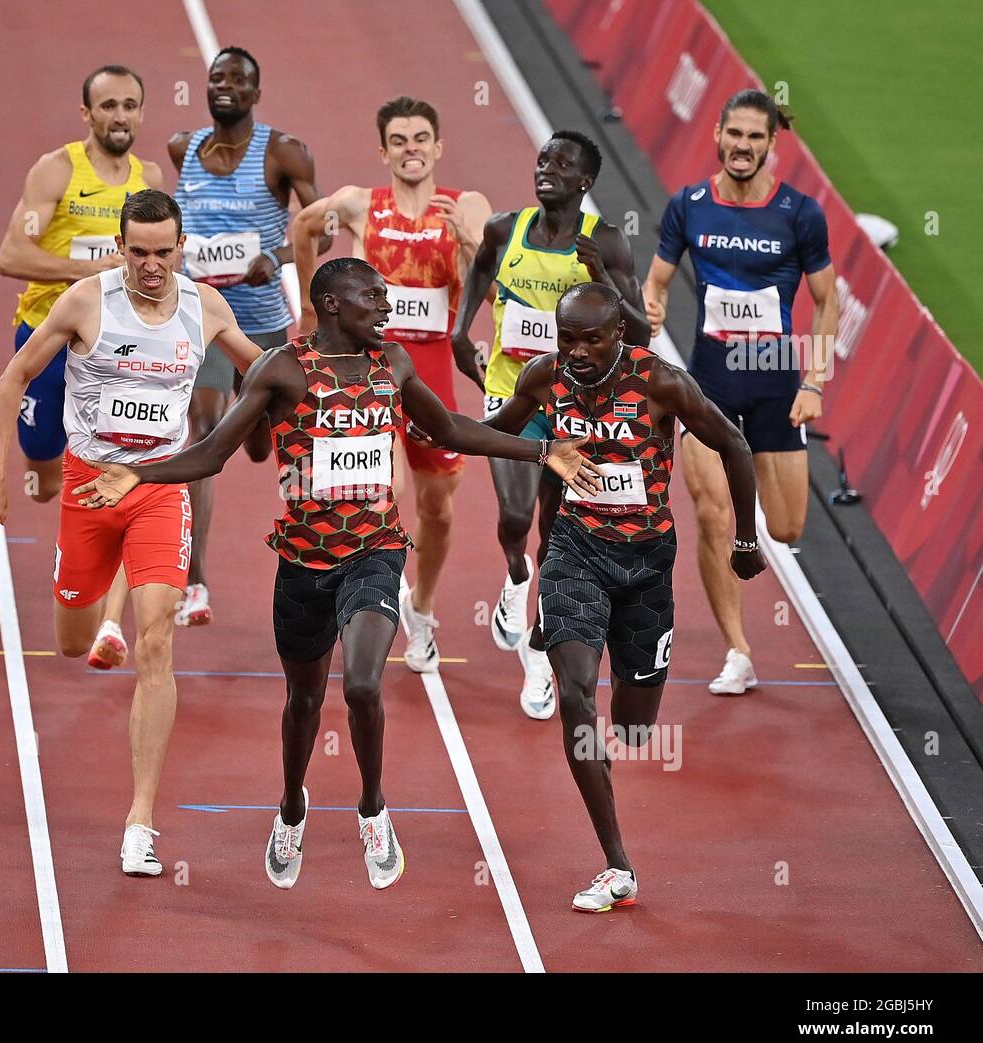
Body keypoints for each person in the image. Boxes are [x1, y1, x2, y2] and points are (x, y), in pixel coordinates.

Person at [69, 258, 598, 890]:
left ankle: (373, 806)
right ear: (329, 305)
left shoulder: (394, 365)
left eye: (387, 298)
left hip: (375, 551)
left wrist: (543, 450)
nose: (387, 308)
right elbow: (212, 453)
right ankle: (292, 805)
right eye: (372, 298)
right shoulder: (281, 370)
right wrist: (141, 473)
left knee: (363, 685)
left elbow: (451, 428)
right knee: (304, 702)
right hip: (301, 562)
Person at [0, 191, 264, 877]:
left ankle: (140, 820)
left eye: (165, 252)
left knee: (155, 637)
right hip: (84, 486)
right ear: (122, 246)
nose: (153, 265)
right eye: (140, 252)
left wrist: (330, 381)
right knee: (74, 640)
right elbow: (15, 377)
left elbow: (265, 371)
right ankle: (84, 584)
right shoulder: (84, 302)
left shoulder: (205, 307)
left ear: (181, 247)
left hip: (159, 488)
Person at [482, 282, 765, 911]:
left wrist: (745, 539)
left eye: (591, 339)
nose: (577, 352)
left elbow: (734, 444)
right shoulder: (542, 375)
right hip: (574, 553)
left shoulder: (661, 383)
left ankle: (619, 728)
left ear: (618, 334)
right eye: (568, 339)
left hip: (645, 565)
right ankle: (616, 863)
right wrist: (431, 424)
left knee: (635, 728)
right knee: (577, 693)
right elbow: (490, 432)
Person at [642, 89, 838, 695]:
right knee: (709, 512)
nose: (744, 146)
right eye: (735, 135)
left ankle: (752, 502)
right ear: (718, 137)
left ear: (772, 145)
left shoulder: (800, 214)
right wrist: (649, 312)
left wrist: (815, 380)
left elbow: (831, 300)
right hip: (711, 380)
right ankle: (738, 650)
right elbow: (657, 281)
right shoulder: (689, 206)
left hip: (777, 376)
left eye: (756, 137)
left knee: (786, 529)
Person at [292, 96, 492, 673]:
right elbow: (305, 228)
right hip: (368, 368)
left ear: (438, 147)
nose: (411, 149)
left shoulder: (467, 205)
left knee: (438, 510)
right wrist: (313, 313)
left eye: (421, 138)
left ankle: (422, 611)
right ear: (384, 151)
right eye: (399, 140)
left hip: (429, 371)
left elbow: (496, 285)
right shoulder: (358, 204)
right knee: (383, 490)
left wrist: (471, 243)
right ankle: (359, 603)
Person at [452, 132, 649, 717]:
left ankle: (539, 655)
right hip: (512, 392)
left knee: (560, 534)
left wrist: (605, 281)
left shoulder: (605, 242)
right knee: (515, 519)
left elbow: (640, 333)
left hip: (578, 409)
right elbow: (481, 272)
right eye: (543, 160)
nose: (548, 169)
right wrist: (462, 332)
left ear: (585, 182)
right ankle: (516, 575)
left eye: (562, 165)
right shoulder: (504, 229)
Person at [0, 64, 162, 670]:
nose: (121, 115)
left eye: (131, 105)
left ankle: (104, 608)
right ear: (87, 114)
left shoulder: (150, 182)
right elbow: (12, 253)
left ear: (142, 113)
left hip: (118, 354)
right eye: (109, 106)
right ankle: (56, 494)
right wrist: (90, 276)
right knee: (43, 470)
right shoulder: (58, 171)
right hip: (48, 336)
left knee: (120, 469)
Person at [167, 45, 329, 627]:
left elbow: (324, 228)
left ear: (257, 93)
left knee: (264, 444)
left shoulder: (282, 152)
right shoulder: (182, 149)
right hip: (205, 317)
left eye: (239, 79)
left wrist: (277, 256)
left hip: (260, 323)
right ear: (205, 88)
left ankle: (319, 553)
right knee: (202, 425)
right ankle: (196, 581)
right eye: (217, 77)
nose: (226, 85)